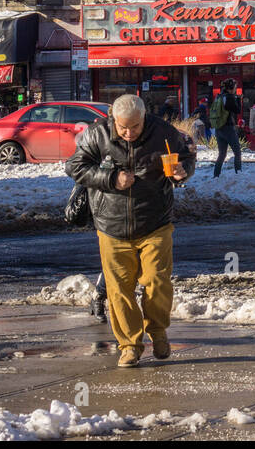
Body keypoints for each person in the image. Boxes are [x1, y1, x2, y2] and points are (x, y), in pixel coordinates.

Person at [65, 94, 193, 369]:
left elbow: (185, 156)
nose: (128, 132)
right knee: (119, 290)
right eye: (123, 127)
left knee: (158, 281)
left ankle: (157, 332)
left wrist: (183, 171)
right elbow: (75, 166)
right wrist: (111, 179)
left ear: (144, 118)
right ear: (114, 119)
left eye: (134, 127)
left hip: (155, 221)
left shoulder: (163, 132)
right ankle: (129, 346)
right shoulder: (97, 133)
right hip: (111, 225)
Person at [210, 80, 242, 177]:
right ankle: (238, 173)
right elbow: (237, 110)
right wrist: (238, 100)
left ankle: (216, 174)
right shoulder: (229, 97)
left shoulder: (219, 96)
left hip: (219, 128)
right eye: (235, 87)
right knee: (237, 151)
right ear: (231, 88)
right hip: (228, 128)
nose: (236, 89)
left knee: (222, 154)